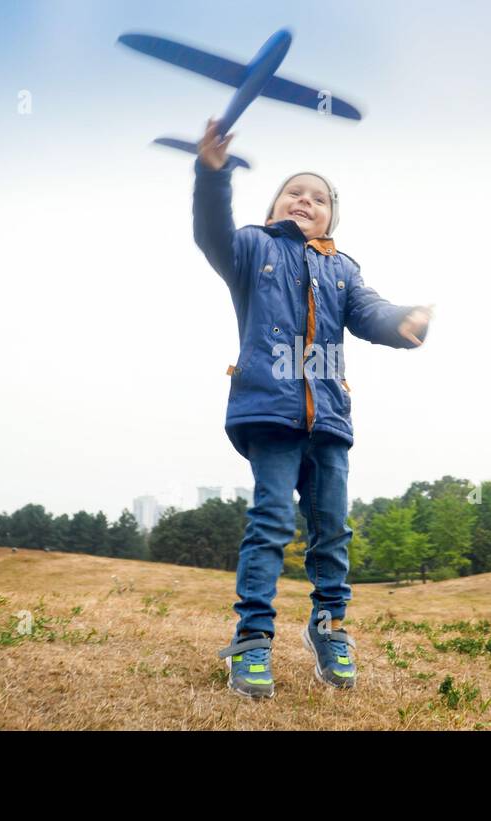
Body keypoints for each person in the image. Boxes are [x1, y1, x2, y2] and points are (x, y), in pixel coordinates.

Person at [192, 118, 433, 698]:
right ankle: (251, 642)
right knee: (271, 522)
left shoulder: (342, 269)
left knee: (332, 531)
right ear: (275, 204)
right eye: (294, 191)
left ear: (331, 217)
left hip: (328, 418)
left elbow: (371, 312)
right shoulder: (252, 247)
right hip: (269, 413)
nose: (306, 200)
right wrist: (212, 175)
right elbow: (211, 234)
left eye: (319, 197)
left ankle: (329, 628)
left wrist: (403, 321)